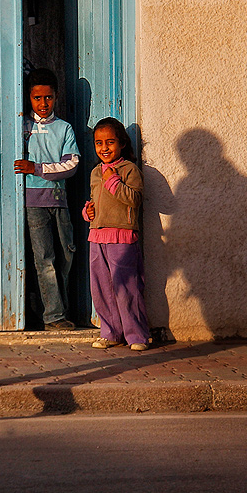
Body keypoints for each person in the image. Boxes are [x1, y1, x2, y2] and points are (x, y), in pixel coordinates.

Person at [14, 68, 79, 331]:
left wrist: (37, 168)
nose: (43, 104)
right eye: (37, 98)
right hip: (33, 204)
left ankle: (57, 308)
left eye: (48, 98)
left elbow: (71, 164)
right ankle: (53, 316)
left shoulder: (64, 128)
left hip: (59, 200)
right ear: (29, 98)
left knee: (67, 254)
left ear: (56, 96)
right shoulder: (22, 127)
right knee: (44, 258)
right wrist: (33, 168)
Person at [84, 117, 150, 351]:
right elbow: (95, 201)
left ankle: (137, 336)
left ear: (121, 143)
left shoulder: (129, 170)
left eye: (110, 142)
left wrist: (112, 179)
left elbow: (135, 199)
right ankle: (111, 332)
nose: (104, 148)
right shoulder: (94, 173)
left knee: (126, 287)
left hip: (122, 237)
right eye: (99, 143)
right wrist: (88, 211)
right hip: (97, 237)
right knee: (101, 288)